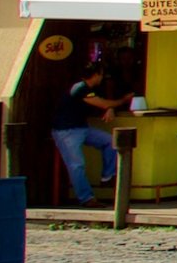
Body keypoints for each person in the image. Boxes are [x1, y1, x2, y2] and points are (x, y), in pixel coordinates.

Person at [52, 64, 128, 205]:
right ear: (96, 74)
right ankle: (86, 198)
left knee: (110, 142)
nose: (102, 77)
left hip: (82, 128)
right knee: (77, 165)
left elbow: (103, 104)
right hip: (67, 131)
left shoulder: (89, 89)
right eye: (101, 74)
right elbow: (102, 104)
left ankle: (107, 176)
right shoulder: (80, 88)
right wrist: (123, 101)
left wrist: (110, 107)